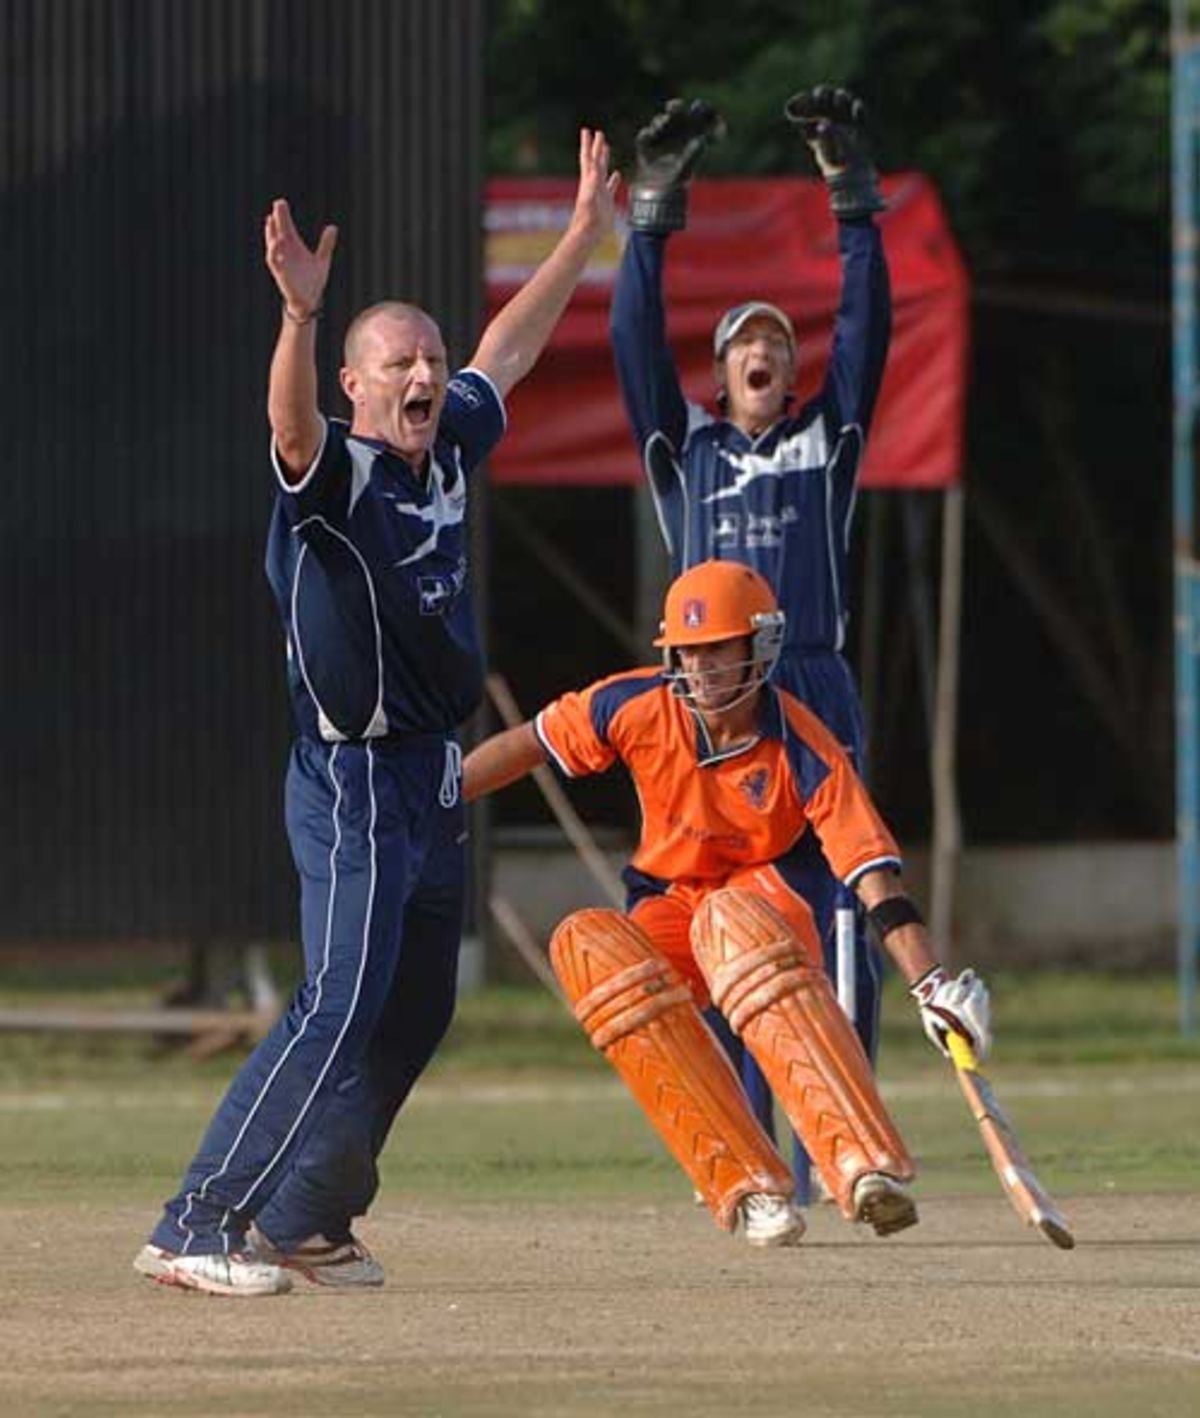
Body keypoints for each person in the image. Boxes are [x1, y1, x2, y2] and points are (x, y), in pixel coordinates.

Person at [133, 129, 620, 1297]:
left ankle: (305, 1215)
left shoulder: (445, 439)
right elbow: (289, 430)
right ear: (358, 382)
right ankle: (196, 1220)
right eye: (395, 361)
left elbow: (507, 350)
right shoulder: (334, 471)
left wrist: (578, 240)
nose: (418, 377)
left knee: (415, 1005)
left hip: (432, 774)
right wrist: (302, 318)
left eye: (426, 360)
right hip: (350, 775)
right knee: (337, 997)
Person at [461, 560, 990, 1247]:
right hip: (670, 899)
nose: (703, 668)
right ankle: (744, 1186)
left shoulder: (802, 742)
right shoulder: (630, 705)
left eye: (718, 648)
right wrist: (434, 799)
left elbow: (873, 878)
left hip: (769, 901)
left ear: (759, 646)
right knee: (589, 948)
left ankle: (860, 1165)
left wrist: (932, 983)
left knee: (731, 925)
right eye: (689, 652)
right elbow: (527, 743)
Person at [609, 88, 892, 1190]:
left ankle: (848, 1143)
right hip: (709, 710)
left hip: (811, 685)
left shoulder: (829, 440)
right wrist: (652, 211)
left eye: (778, 339)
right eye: (744, 344)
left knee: (838, 919)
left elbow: (866, 330)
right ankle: (750, 1149)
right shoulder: (688, 452)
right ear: (722, 374)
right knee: (724, 925)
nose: (764, 350)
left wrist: (851, 201)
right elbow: (636, 339)